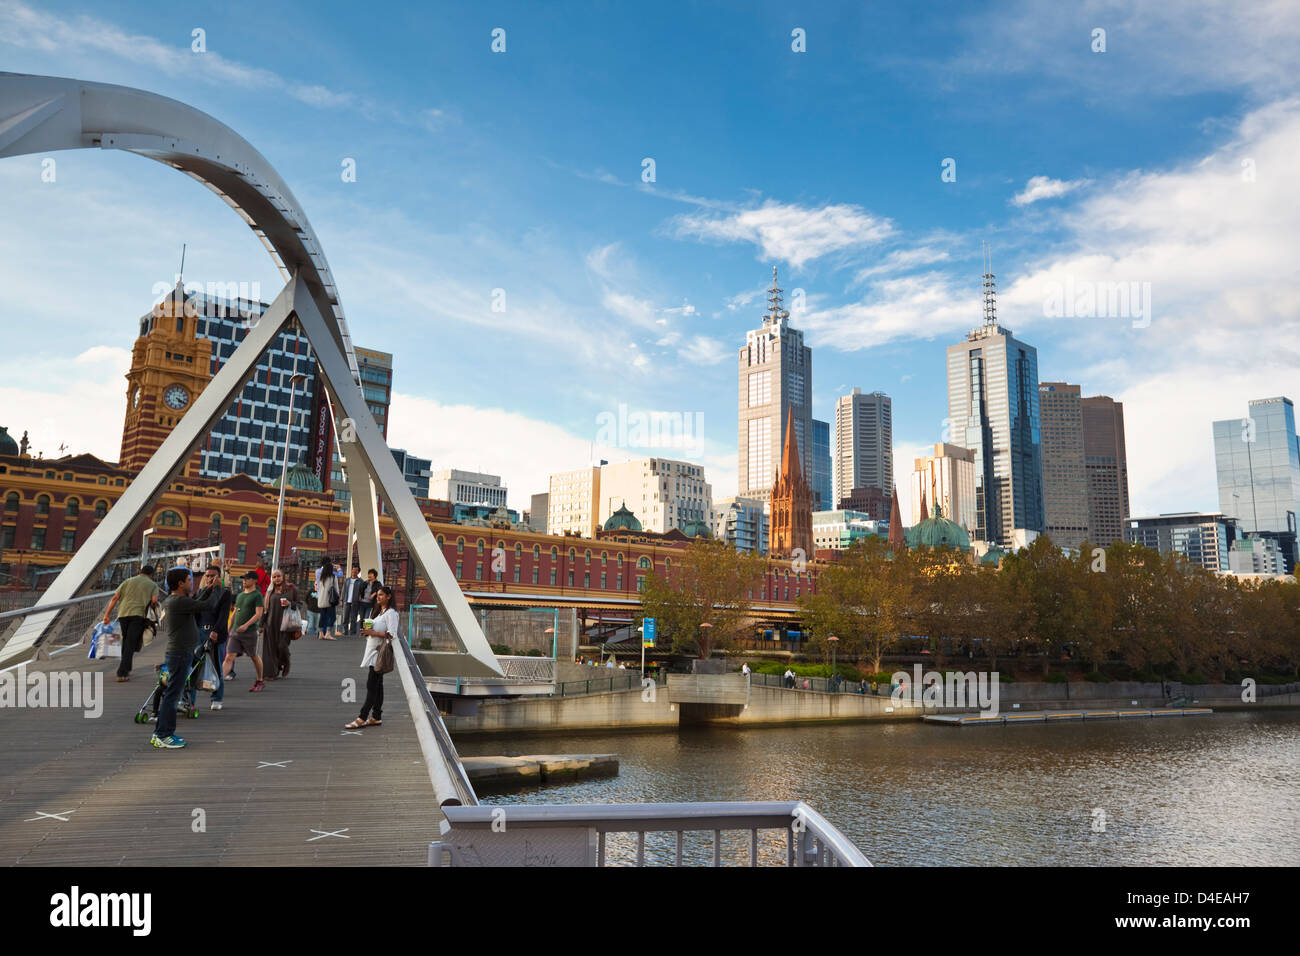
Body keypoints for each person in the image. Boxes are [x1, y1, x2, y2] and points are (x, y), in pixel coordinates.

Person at [150, 567, 223, 749]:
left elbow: (196, 602)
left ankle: (162, 733)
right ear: (181, 583)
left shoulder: (177, 600)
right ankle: (163, 734)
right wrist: (217, 589)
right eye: (189, 581)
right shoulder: (178, 602)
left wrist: (208, 589)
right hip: (180, 653)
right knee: (173, 696)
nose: (192, 583)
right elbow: (207, 605)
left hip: (180, 653)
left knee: (173, 694)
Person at [346, 585, 397, 730]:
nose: (379, 597)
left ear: (388, 596)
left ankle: (362, 717)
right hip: (373, 652)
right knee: (378, 686)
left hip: (379, 653)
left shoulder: (391, 613)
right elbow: (377, 629)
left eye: (382, 595)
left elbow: (392, 634)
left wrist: (373, 633)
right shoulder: (379, 612)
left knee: (371, 686)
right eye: (378, 595)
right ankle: (376, 716)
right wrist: (367, 631)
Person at [101, 565, 159, 681]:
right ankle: (122, 673)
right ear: (151, 575)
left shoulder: (127, 581)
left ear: (140, 572)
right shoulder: (153, 585)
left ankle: (127, 667)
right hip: (138, 616)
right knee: (130, 643)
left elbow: (115, 598)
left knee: (127, 641)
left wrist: (106, 615)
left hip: (123, 614)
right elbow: (154, 601)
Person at [192, 565, 232, 712]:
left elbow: (224, 614)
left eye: (213, 575)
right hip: (200, 632)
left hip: (216, 634)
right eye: (207, 575)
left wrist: (216, 630)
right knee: (194, 667)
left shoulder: (224, 593)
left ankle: (217, 698)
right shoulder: (200, 592)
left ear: (219, 577)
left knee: (216, 667)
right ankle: (191, 701)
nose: (210, 578)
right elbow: (195, 610)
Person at [222, 571, 266, 692]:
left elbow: (258, 614)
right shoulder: (240, 596)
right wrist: (228, 630)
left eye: (247, 578)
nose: (244, 581)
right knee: (229, 656)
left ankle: (260, 680)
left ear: (254, 581)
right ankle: (219, 682)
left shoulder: (257, 596)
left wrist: (246, 625)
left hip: (250, 632)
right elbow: (234, 614)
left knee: (253, 656)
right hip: (235, 632)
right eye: (243, 578)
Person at [261, 568, 300, 680]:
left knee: (282, 646)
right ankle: (272, 673)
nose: (276, 579)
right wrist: (261, 624)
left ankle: (286, 661)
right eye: (274, 577)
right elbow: (265, 609)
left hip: (286, 624)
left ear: (283, 577)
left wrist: (290, 603)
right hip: (270, 623)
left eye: (278, 576)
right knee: (270, 649)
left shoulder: (291, 589)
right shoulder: (270, 592)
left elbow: (299, 605)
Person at [314, 558, 342, 640]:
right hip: (330, 600)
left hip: (321, 600)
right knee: (332, 617)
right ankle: (328, 633)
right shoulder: (333, 577)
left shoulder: (320, 576)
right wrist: (338, 568)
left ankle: (321, 633)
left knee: (322, 617)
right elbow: (336, 589)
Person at [341, 564, 365, 636]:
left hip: (355, 602)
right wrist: (341, 600)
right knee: (345, 617)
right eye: (353, 570)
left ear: (358, 572)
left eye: (356, 570)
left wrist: (361, 597)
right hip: (346, 601)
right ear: (351, 570)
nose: (354, 572)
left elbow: (362, 591)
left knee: (353, 618)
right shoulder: (347, 580)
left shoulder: (360, 581)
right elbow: (343, 590)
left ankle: (352, 633)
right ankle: (345, 632)